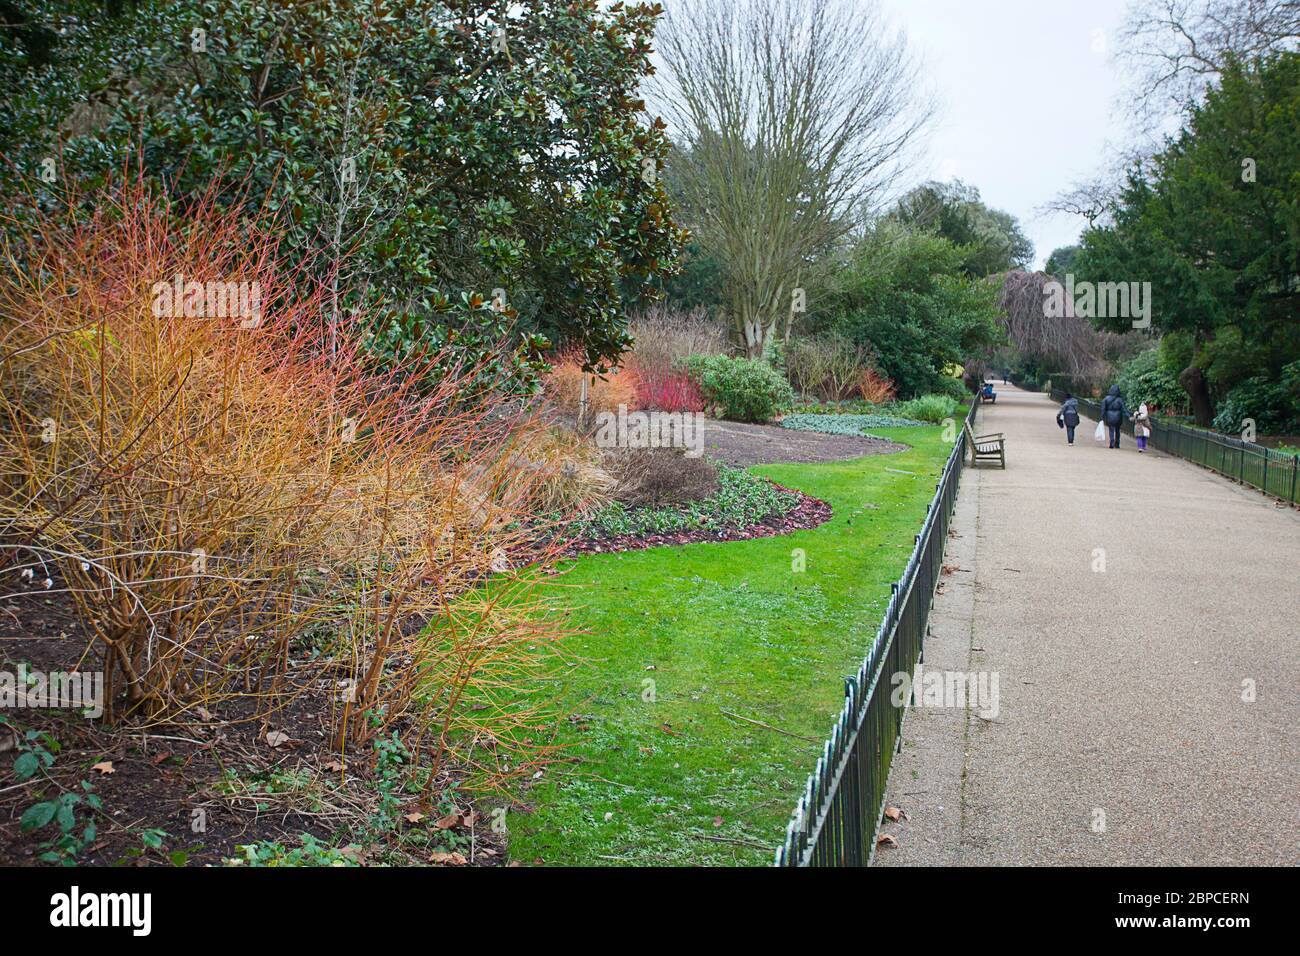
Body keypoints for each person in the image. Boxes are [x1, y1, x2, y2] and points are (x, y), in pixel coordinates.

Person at [1100, 384, 1129, 448]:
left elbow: (1103, 409)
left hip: (1109, 416)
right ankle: (1117, 443)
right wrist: (1129, 415)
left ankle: (1112, 442)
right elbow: (1124, 409)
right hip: (1118, 416)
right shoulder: (1120, 399)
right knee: (1118, 430)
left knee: (1111, 430)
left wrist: (1101, 417)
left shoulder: (1106, 399)